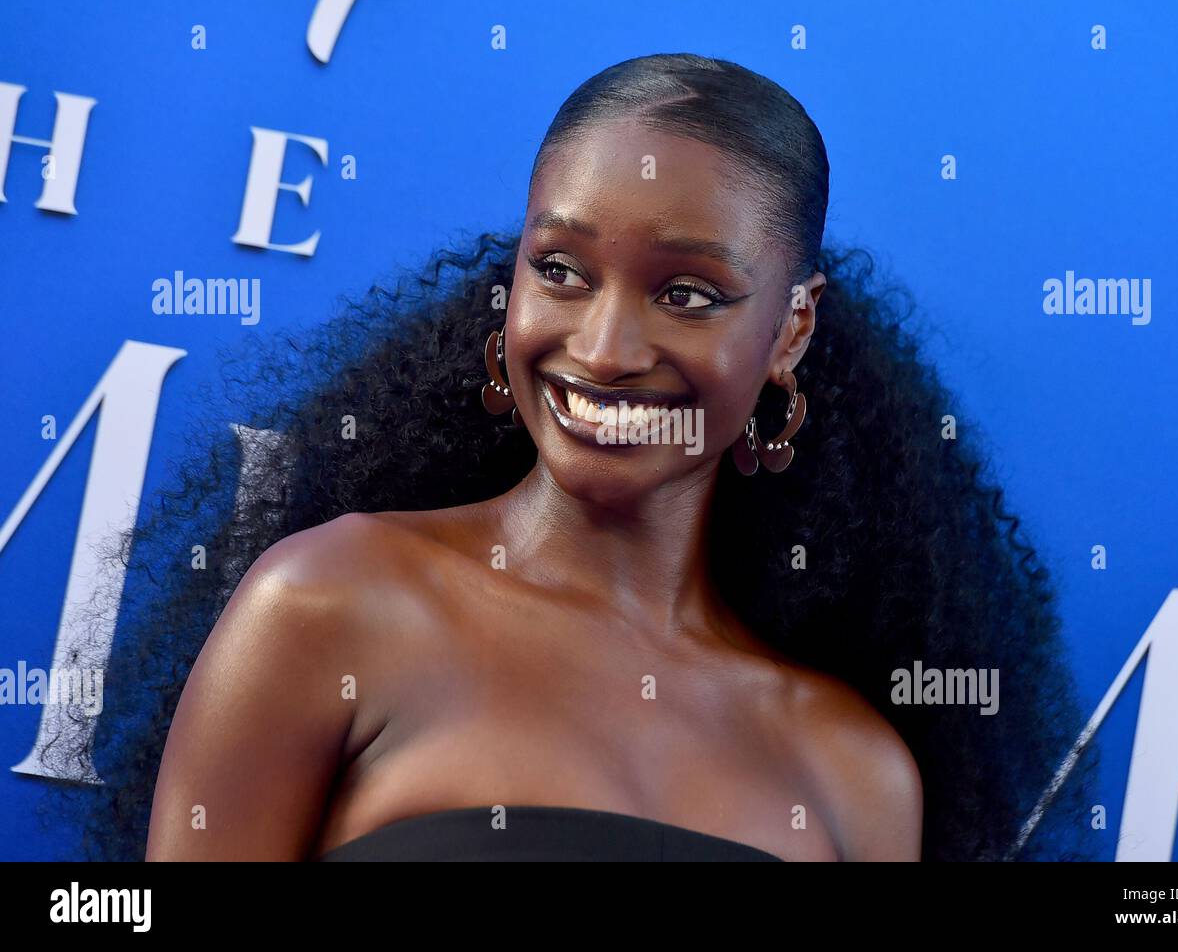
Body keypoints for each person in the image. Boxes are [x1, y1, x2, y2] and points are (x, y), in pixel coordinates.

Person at [58, 53, 1097, 862]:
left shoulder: (855, 773)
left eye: (687, 293)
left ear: (789, 332)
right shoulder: (331, 607)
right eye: (560, 270)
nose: (603, 350)